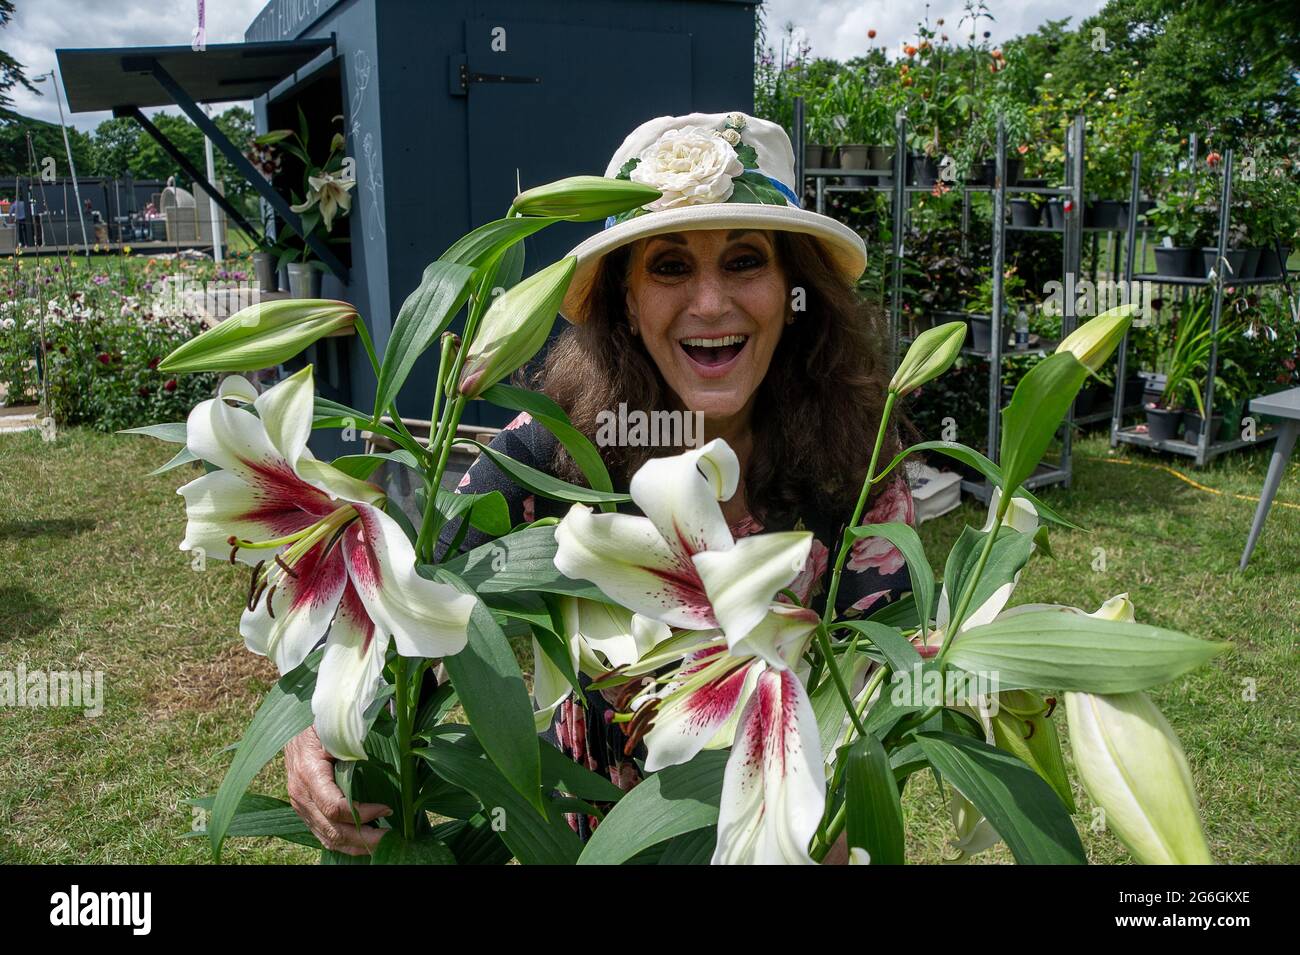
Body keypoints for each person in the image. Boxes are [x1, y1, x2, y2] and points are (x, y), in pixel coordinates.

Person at [283, 111, 919, 857]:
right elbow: (413, 584)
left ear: (792, 289)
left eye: (746, 261)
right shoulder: (554, 452)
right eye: (670, 267)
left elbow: (880, 694)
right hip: (583, 840)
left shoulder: (857, 461)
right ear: (625, 297)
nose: (711, 305)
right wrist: (325, 717)